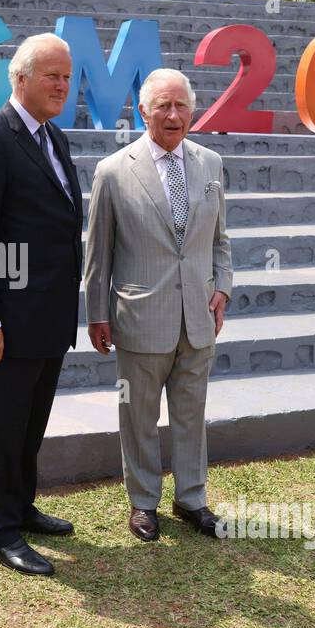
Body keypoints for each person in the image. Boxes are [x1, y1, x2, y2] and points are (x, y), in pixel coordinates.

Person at [82, 68, 233, 543]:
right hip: (139, 318)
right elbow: (97, 252)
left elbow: (220, 240)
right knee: (139, 416)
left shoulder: (211, 164)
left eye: (181, 105)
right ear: (142, 111)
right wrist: (97, 314)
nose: (173, 115)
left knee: (192, 414)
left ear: (193, 110)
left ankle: (192, 499)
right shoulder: (113, 171)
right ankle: (143, 502)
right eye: (163, 106)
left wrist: (222, 288)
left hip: (199, 320)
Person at [0, 33, 84, 576]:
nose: (61, 85)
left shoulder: (54, 139)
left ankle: (22, 507)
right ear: (20, 78)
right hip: (6, 321)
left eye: (67, 76)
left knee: (32, 424)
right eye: (51, 75)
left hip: (49, 317)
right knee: (3, 428)